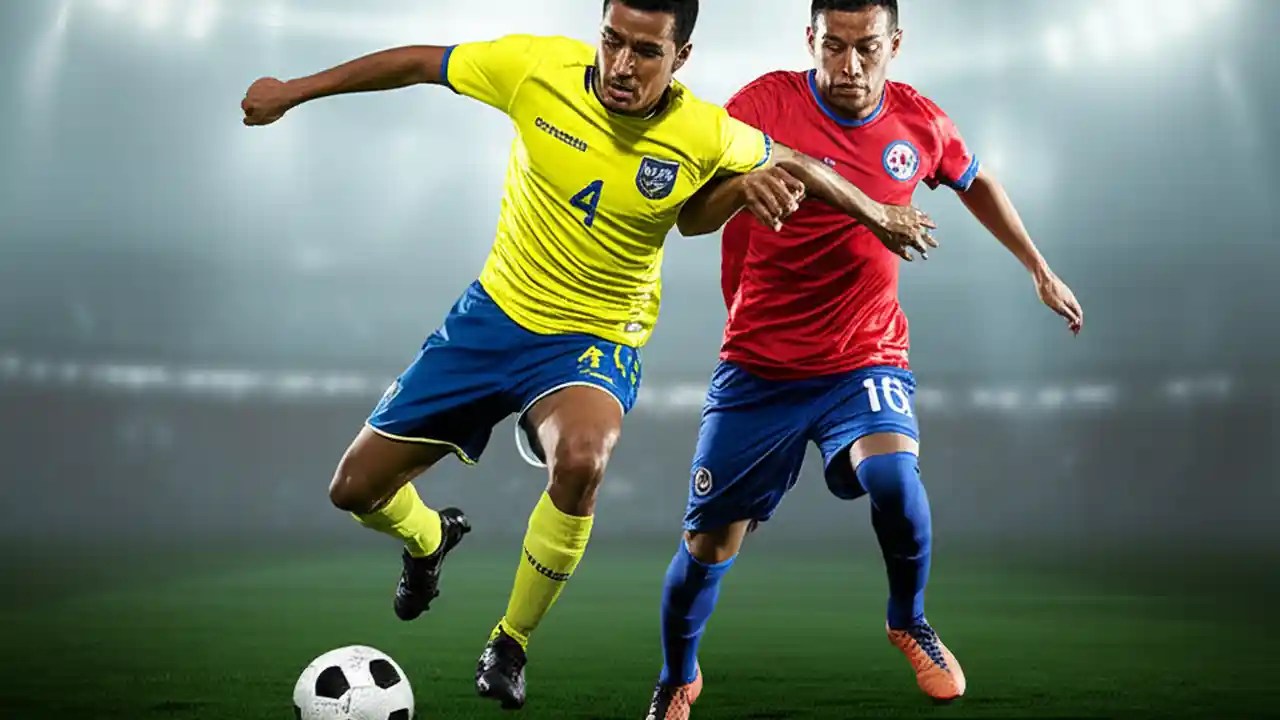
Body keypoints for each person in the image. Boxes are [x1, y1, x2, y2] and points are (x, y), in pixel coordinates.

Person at [240, 0, 938, 710]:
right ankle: (428, 540)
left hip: (595, 340)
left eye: (644, 52)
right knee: (353, 490)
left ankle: (510, 641)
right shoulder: (535, 67)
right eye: (612, 41)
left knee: (580, 459)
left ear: (680, 60)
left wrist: (875, 214)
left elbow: (791, 166)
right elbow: (422, 61)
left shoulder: (704, 129)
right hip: (492, 318)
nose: (621, 66)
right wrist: (296, 91)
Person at [645, 1, 1085, 716]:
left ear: (896, 44)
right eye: (834, 47)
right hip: (761, 365)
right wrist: (740, 188)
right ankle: (678, 676)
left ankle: (908, 619)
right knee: (707, 548)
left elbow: (975, 180)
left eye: (868, 49)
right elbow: (690, 211)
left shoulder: (919, 121)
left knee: (895, 480)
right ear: (809, 40)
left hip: (864, 356)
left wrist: (1038, 267)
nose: (850, 66)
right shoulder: (760, 107)